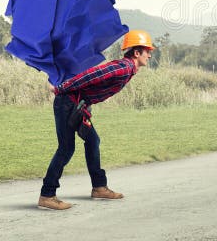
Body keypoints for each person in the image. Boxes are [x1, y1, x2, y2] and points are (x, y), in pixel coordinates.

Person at [37, 29, 154, 210]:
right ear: (137, 53)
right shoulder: (123, 67)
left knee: (93, 140)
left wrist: (86, 103)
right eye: (148, 51)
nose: (150, 55)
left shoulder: (129, 69)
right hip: (67, 102)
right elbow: (92, 75)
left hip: (77, 105)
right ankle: (47, 195)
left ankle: (99, 187)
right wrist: (60, 88)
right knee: (66, 148)